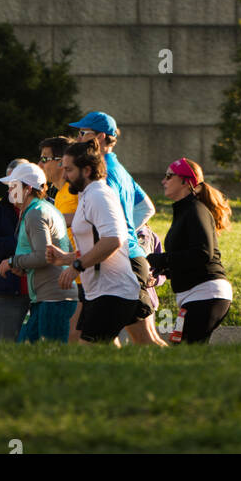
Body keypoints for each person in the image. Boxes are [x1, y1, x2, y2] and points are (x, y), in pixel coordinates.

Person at [68, 111, 164, 346]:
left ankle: (181, 377)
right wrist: (126, 229)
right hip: (128, 258)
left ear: (100, 137)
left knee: (142, 341)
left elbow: (112, 230)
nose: (78, 139)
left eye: (82, 133)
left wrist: (119, 233)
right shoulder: (119, 168)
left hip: (121, 262)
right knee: (133, 340)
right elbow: (147, 207)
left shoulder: (104, 174)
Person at [44, 140, 146, 343]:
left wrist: (77, 265)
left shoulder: (99, 195)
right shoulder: (86, 195)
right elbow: (96, 244)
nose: (64, 175)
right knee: (97, 355)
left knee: (87, 352)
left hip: (113, 292)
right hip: (99, 292)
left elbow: (113, 240)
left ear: (87, 170)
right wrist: (66, 258)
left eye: (69, 170)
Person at [149, 158, 233, 343]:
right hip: (194, 296)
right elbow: (188, 258)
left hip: (207, 294)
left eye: (169, 176)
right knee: (183, 349)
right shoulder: (184, 210)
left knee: (187, 349)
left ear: (186, 182)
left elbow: (203, 253)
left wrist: (161, 260)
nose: (164, 181)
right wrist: (164, 271)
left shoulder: (196, 210)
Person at [0, 161, 77, 344]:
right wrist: (24, 267)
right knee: (28, 352)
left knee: (50, 357)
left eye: (13, 186)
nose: (9, 191)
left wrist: (12, 262)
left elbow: (43, 255)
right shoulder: (45, 209)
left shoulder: (35, 214)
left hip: (54, 299)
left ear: (27, 188)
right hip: (48, 297)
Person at [0, 158, 30, 342]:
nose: (10, 187)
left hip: (40, 288)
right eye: (8, 182)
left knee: (42, 345)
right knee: (6, 343)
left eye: (14, 182)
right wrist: (21, 242)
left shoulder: (46, 206)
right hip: (8, 288)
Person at [38, 136, 78, 230]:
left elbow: (94, 219)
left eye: (44, 159)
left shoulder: (78, 191)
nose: (39, 165)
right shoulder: (59, 193)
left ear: (61, 162)